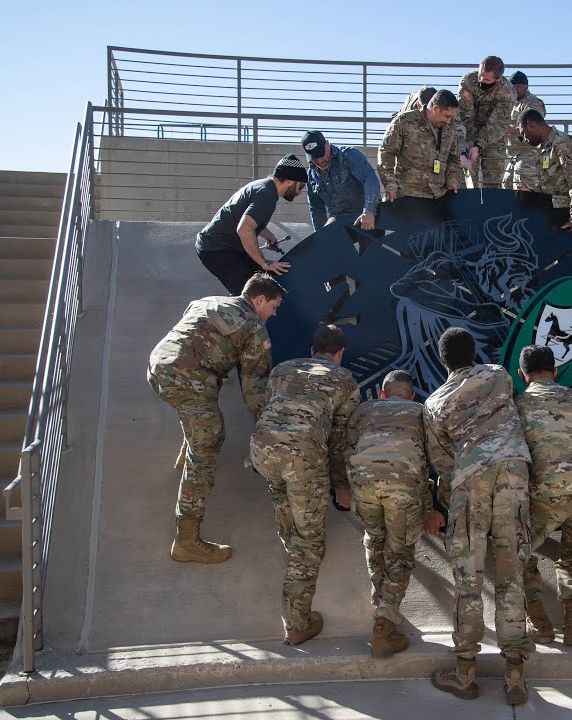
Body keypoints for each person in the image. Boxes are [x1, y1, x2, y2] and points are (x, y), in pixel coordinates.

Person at [423, 327, 535, 706]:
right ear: (474, 352)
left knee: (468, 579)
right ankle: (515, 675)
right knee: (511, 574)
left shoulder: (435, 403)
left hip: (469, 480)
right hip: (513, 474)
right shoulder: (499, 375)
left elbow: (440, 461)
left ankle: (465, 672)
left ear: (443, 361)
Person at [146, 272, 283, 564]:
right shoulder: (253, 328)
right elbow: (254, 389)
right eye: (273, 307)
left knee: (202, 403)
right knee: (208, 445)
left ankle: (188, 447)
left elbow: (194, 338)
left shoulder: (208, 301)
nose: (273, 314)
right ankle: (186, 541)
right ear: (259, 299)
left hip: (158, 366)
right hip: (188, 381)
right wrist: (269, 431)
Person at [249, 324, 361, 646]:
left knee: (281, 495)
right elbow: (340, 438)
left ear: (312, 351)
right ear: (340, 353)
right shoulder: (344, 380)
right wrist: (340, 484)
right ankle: (297, 622)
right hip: (302, 456)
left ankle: (292, 548)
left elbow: (265, 408)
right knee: (310, 541)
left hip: (263, 450)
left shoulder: (282, 370)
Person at [513, 345, 572, 648]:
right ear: (555, 371)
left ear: (521, 375)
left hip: (545, 491)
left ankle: (539, 624)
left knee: (519, 553)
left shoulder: (518, 404)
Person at [344, 369, 444, 658]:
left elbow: (346, 447)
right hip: (403, 485)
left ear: (383, 394)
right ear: (412, 395)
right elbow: (431, 461)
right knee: (399, 552)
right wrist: (431, 507)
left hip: (363, 482)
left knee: (374, 539)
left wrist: (347, 483)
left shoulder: (364, 410)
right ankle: (384, 625)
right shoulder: (421, 412)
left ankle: (382, 601)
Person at [195, 155, 307, 295]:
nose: (300, 192)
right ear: (289, 180)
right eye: (301, 186)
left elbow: (248, 219)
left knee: (266, 285)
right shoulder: (267, 195)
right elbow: (244, 228)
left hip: (227, 247)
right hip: (217, 249)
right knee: (253, 295)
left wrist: (268, 236)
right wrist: (264, 262)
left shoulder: (263, 186)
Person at [514, 109, 572, 236]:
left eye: (523, 133)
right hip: (559, 205)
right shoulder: (545, 149)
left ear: (531, 125)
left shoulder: (562, 143)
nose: (524, 139)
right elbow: (552, 184)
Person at [377, 89, 465, 202]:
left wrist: (453, 179)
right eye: (446, 116)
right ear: (435, 109)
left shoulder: (450, 129)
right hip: (406, 196)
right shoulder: (404, 121)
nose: (448, 121)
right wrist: (390, 184)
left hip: (438, 197)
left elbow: (454, 159)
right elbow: (386, 152)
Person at [299, 130, 381, 234]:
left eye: (321, 154)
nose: (320, 161)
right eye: (314, 157)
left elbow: (369, 179)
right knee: (325, 240)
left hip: (363, 211)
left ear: (327, 144)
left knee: (368, 246)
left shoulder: (348, 155)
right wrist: (319, 238)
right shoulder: (311, 176)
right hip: (338, 217)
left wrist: (369, 211)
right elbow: (316, 208)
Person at [457, 55, 515, 190]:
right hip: (469, 130)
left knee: (493, 180)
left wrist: (479, 145)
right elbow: (464, 115)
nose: (481, 81)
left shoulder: (507, 92)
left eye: (487, 79)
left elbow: (498, 124)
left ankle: (492, 209)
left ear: (498, 79)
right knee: (469, 178)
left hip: (493, 135)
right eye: (480, 76)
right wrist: (470, 143)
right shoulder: (468, 81)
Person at [502, 70, 546, 189]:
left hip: (529, 154)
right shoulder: (512, 103)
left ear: (526, 87)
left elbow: (533, 127)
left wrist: (508, 130)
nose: (516, 90)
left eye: (519, 87)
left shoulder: (532, 103)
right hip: (515, 155)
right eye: (513, 87)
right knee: (507, 186)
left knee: (525, 189)